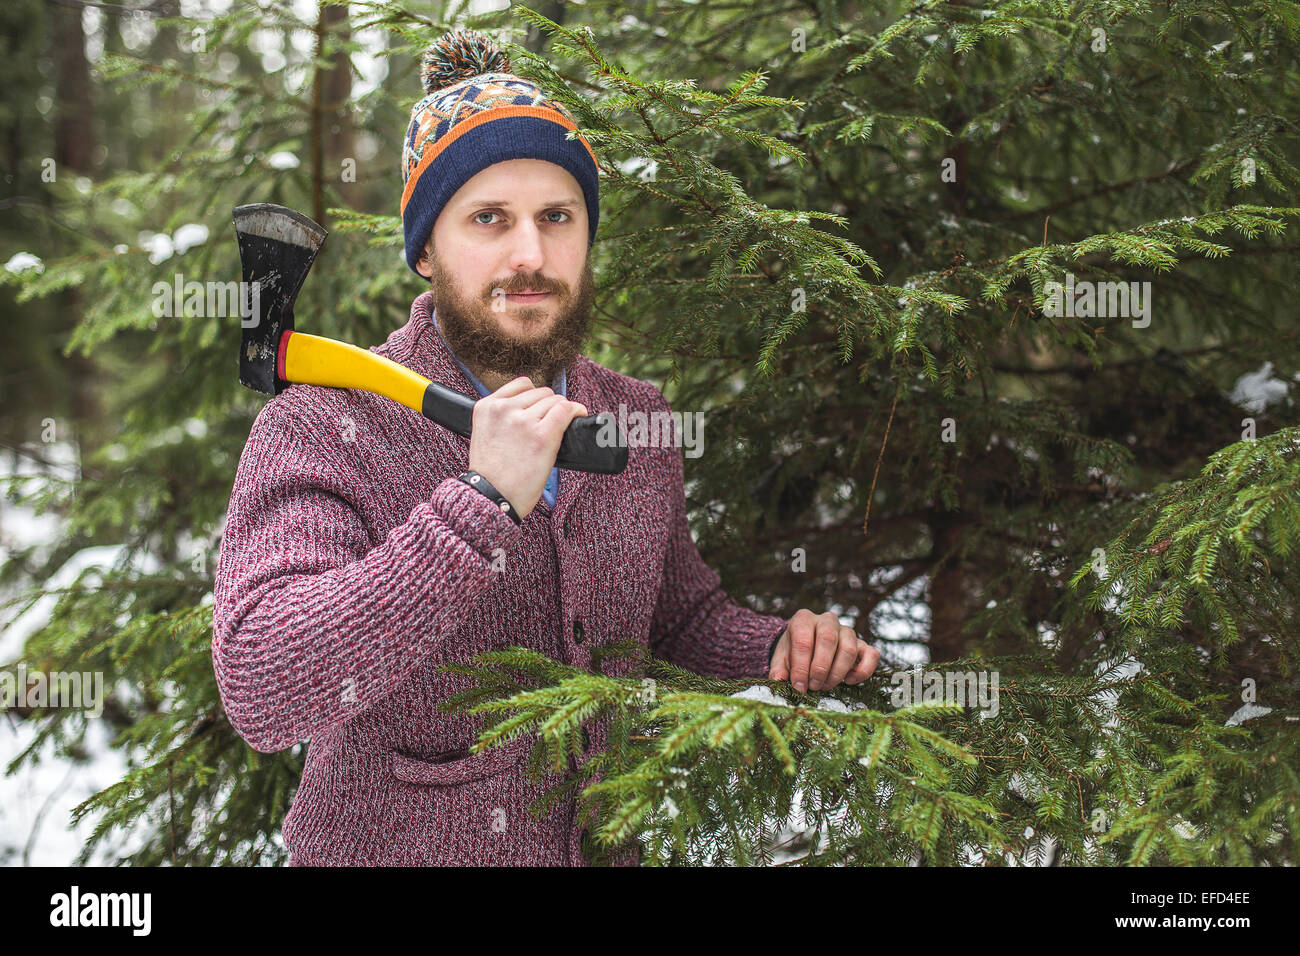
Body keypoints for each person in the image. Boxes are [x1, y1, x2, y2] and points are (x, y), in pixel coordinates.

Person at [211, 27, 880, 867]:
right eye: (489, 219)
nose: (530, 255)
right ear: (425, 249)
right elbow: (263, 686)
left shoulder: (633, 419)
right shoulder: (326, 425)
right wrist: (479, 503)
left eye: (556, 218)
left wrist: (776, 647)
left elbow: (675, 617)